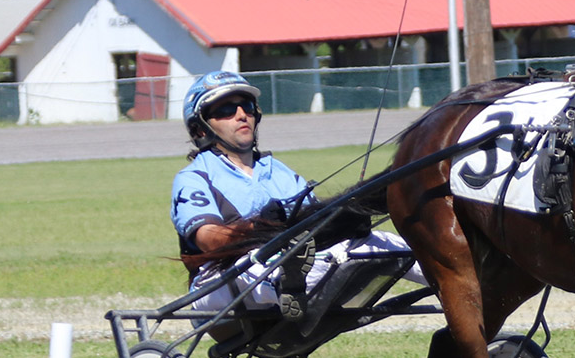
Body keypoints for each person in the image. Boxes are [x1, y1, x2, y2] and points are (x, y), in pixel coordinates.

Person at [171, 70, 422, 324]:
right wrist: (261, 228)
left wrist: (345, 222)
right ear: (200, 129)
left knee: (379, 241)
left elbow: (315, 227)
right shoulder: (194, 177)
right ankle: (287, 284)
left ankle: (444, 272)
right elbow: (209, 239)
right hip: (219, 283)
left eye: (247, 106)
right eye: (226, 109)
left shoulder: (278, 171)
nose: (241, 115)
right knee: (257, 260)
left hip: (287, 261)